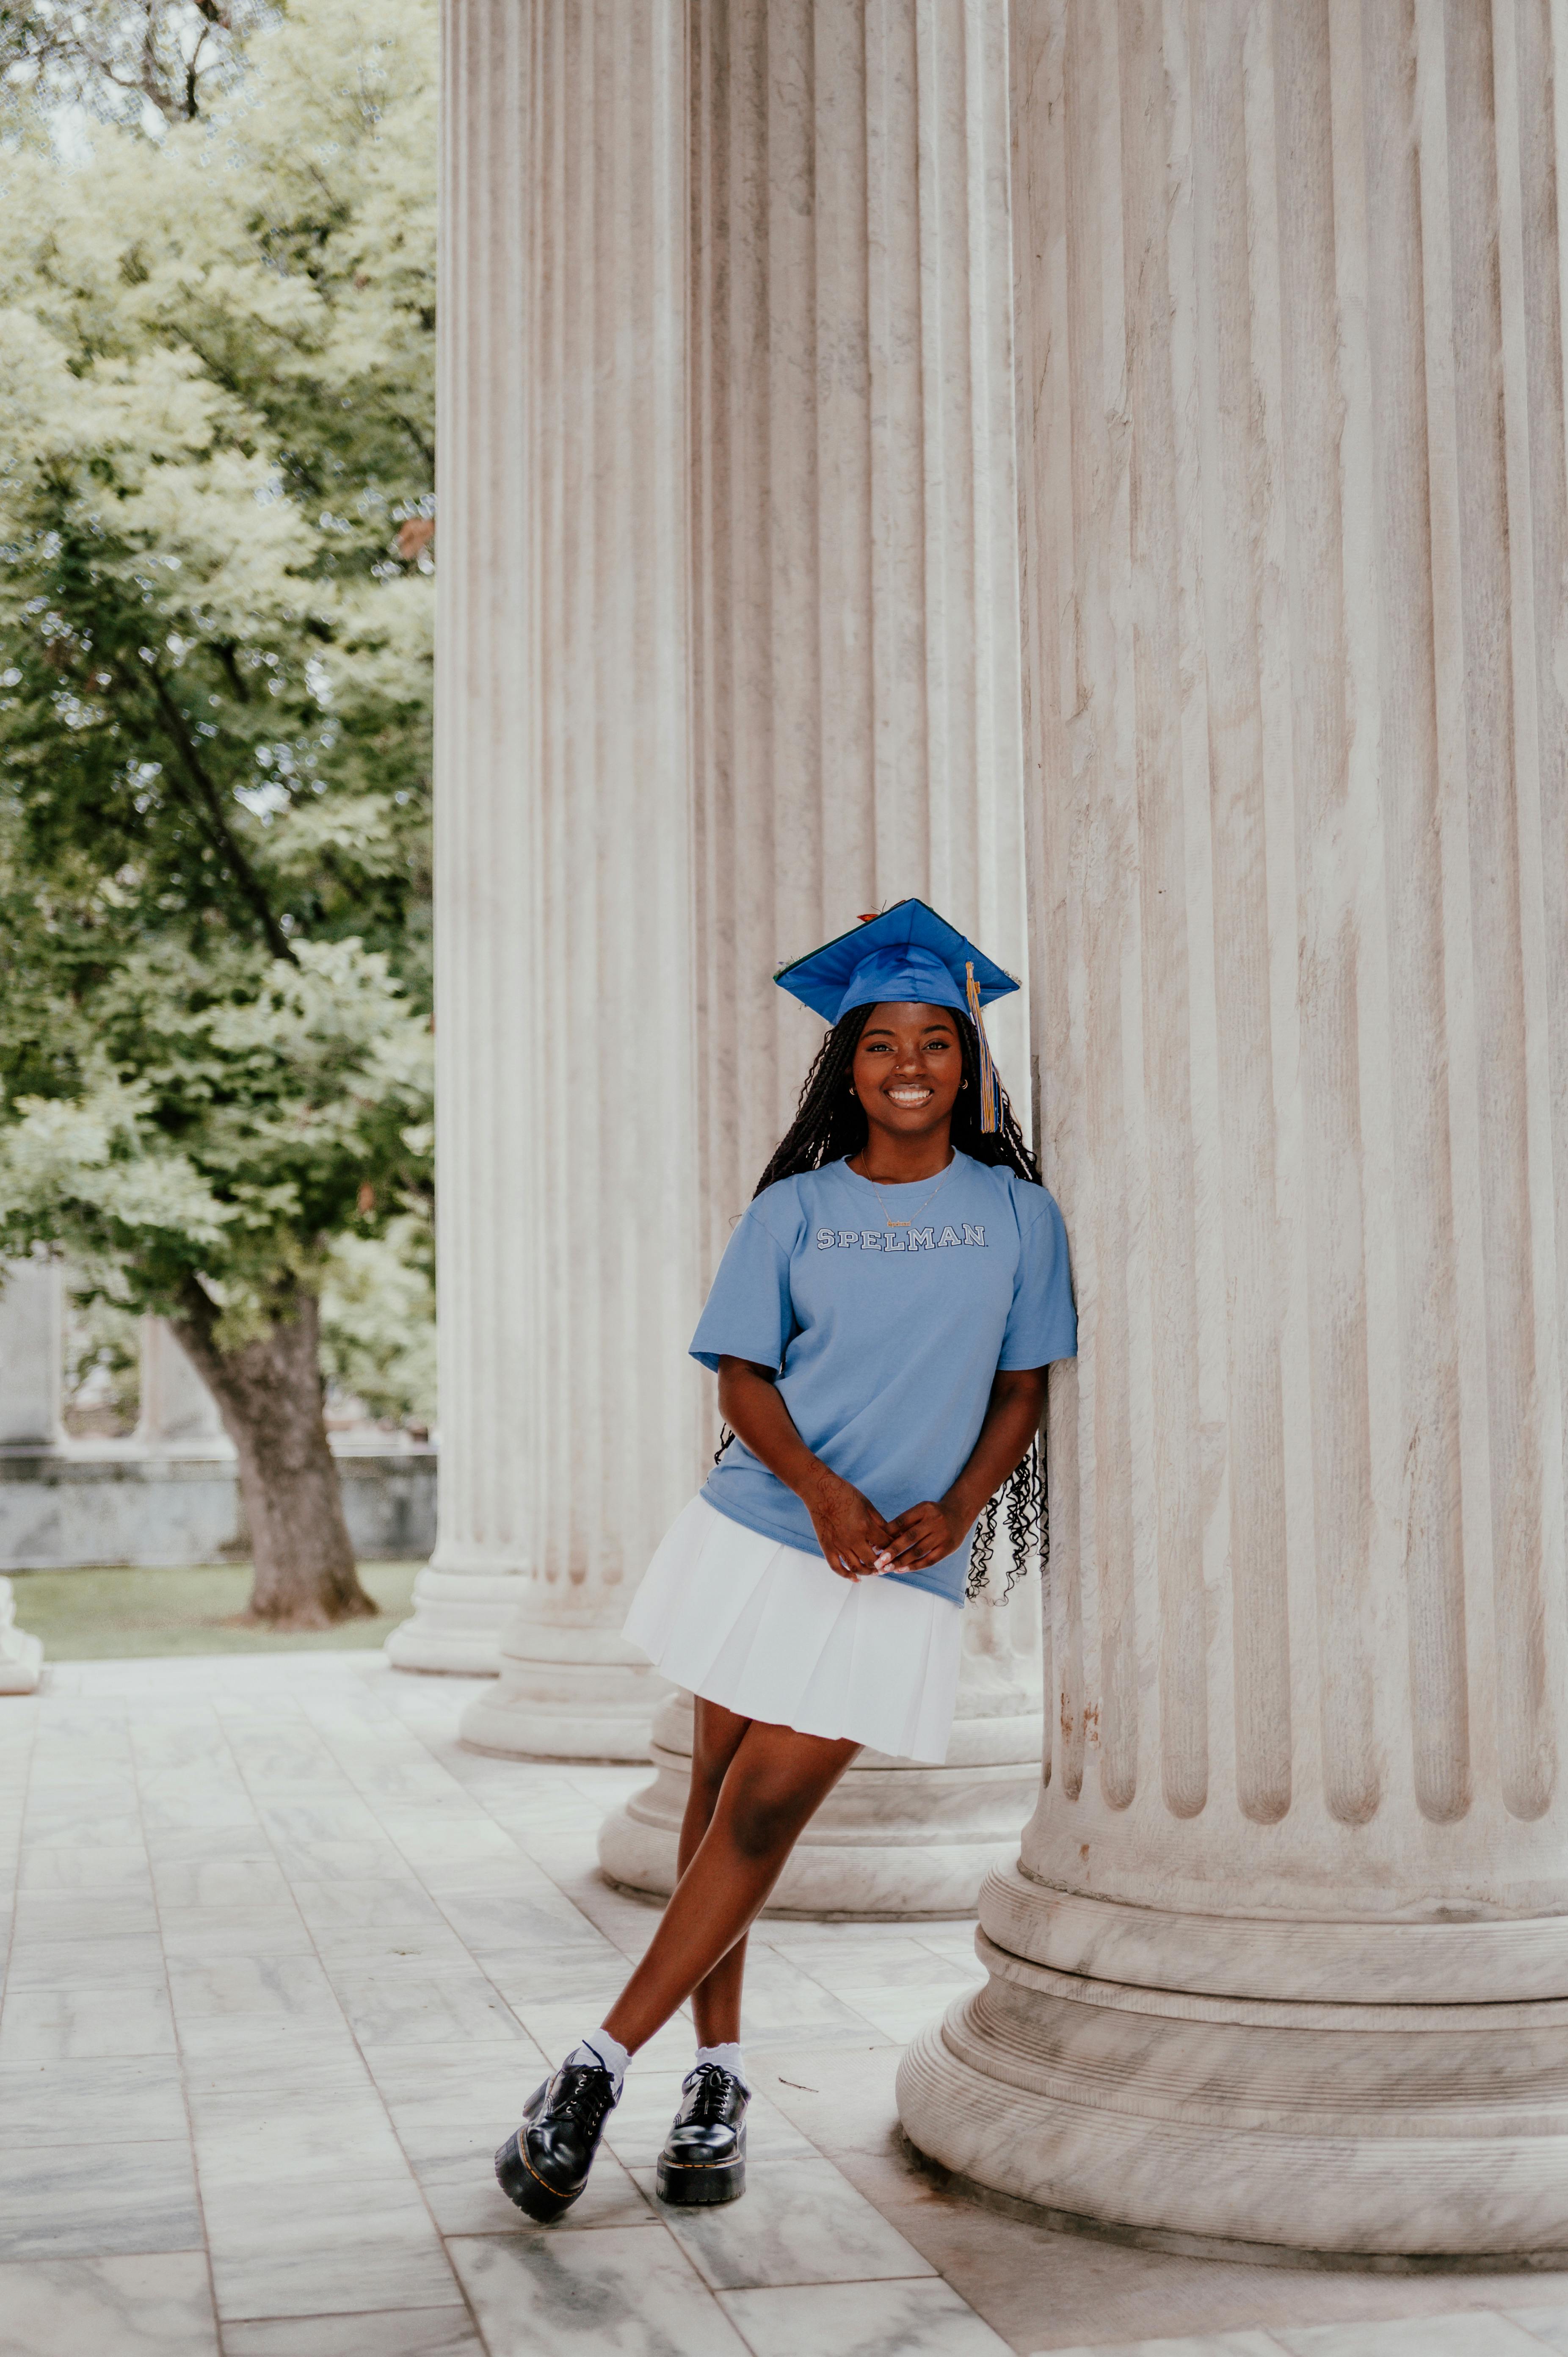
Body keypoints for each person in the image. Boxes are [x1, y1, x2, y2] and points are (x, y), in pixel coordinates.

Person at [495, 898, 1077, 2225]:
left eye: (940, 1040)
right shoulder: (795, 1210)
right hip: (766, 1528)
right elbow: (742, 1378)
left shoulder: (1018, 1217)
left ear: (972, 1066)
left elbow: (1024, 1389)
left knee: (761, 1814)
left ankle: (594, 2064)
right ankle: (719, 2077)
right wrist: (818, 1491)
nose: (912, 1063)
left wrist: (963, 1508)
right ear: (847, 1064)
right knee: (712, 1803)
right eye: (884, 1043)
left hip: (899, 1564)